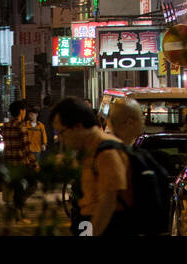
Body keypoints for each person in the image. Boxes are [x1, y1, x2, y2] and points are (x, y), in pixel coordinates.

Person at [51, 95, 130, 238]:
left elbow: (108, 204)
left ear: (78, 126)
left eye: (62, 132)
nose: (61, 139)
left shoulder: (106, 152)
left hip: (106, 227)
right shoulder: (89, 150)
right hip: (89, 222)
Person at [2, 99, 38, 223]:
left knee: (18, 188)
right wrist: (34, 163)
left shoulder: (5, 127)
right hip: (21, 163)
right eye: (24, 111)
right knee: (33, 184)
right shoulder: (21, 127)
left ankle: (19, 213)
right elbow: (26, 148)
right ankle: (18, 206)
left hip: (9, 163)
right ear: (21, 111)